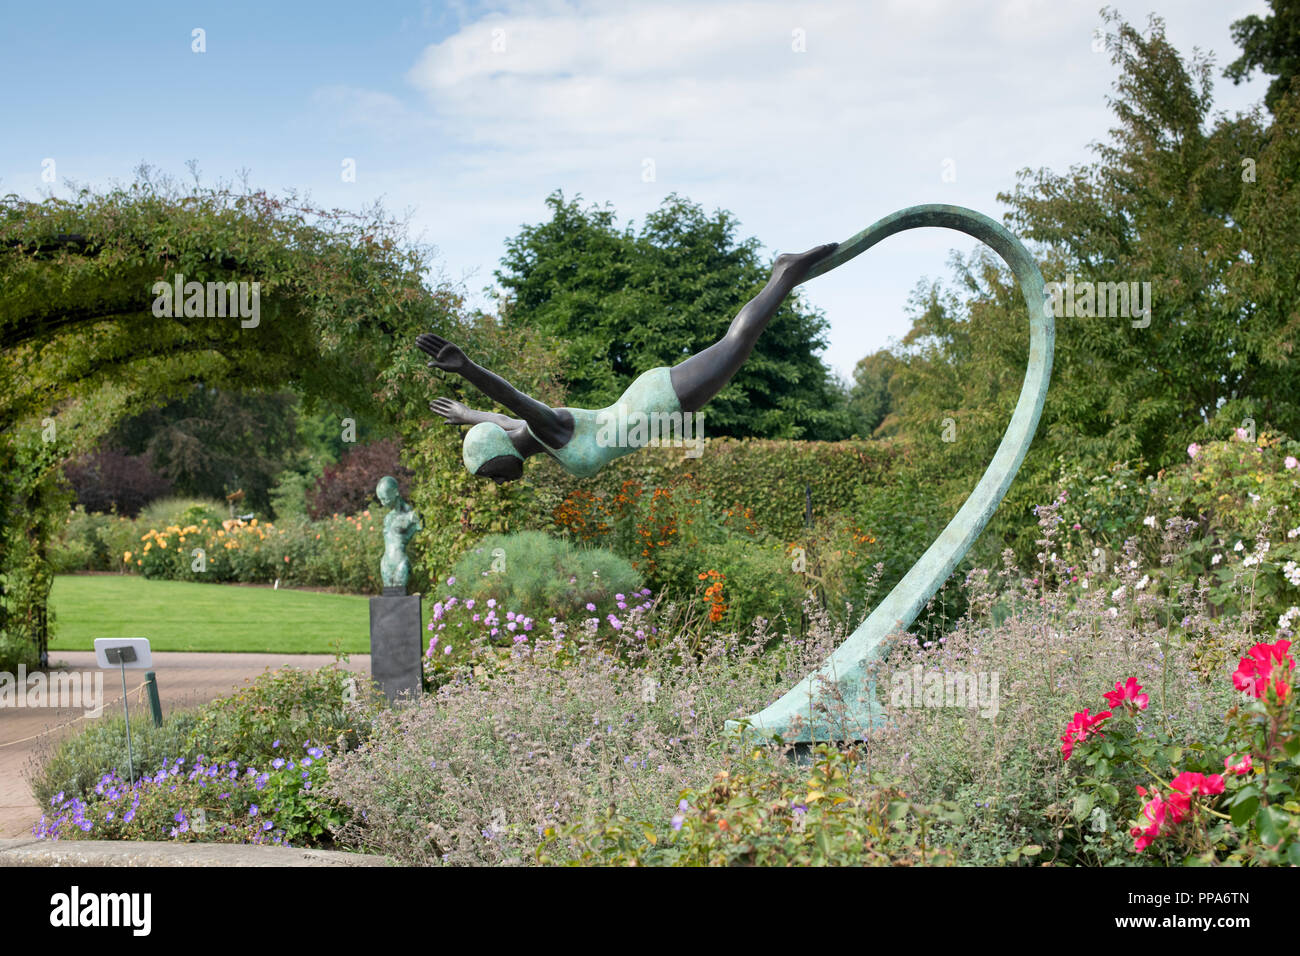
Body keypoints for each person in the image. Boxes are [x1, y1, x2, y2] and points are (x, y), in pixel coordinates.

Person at [417, 241, 837, 483]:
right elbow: (502, 418)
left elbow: (510, 398)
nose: (490, 479)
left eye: (486, 471)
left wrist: (467, 368)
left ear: (499, 453)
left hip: (656, 404)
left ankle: (783, 273)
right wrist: (467, 414)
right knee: (736, 346)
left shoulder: (549, 428)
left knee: (738, 343)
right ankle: (783, 276)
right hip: (654, 410)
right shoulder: (529, 437)